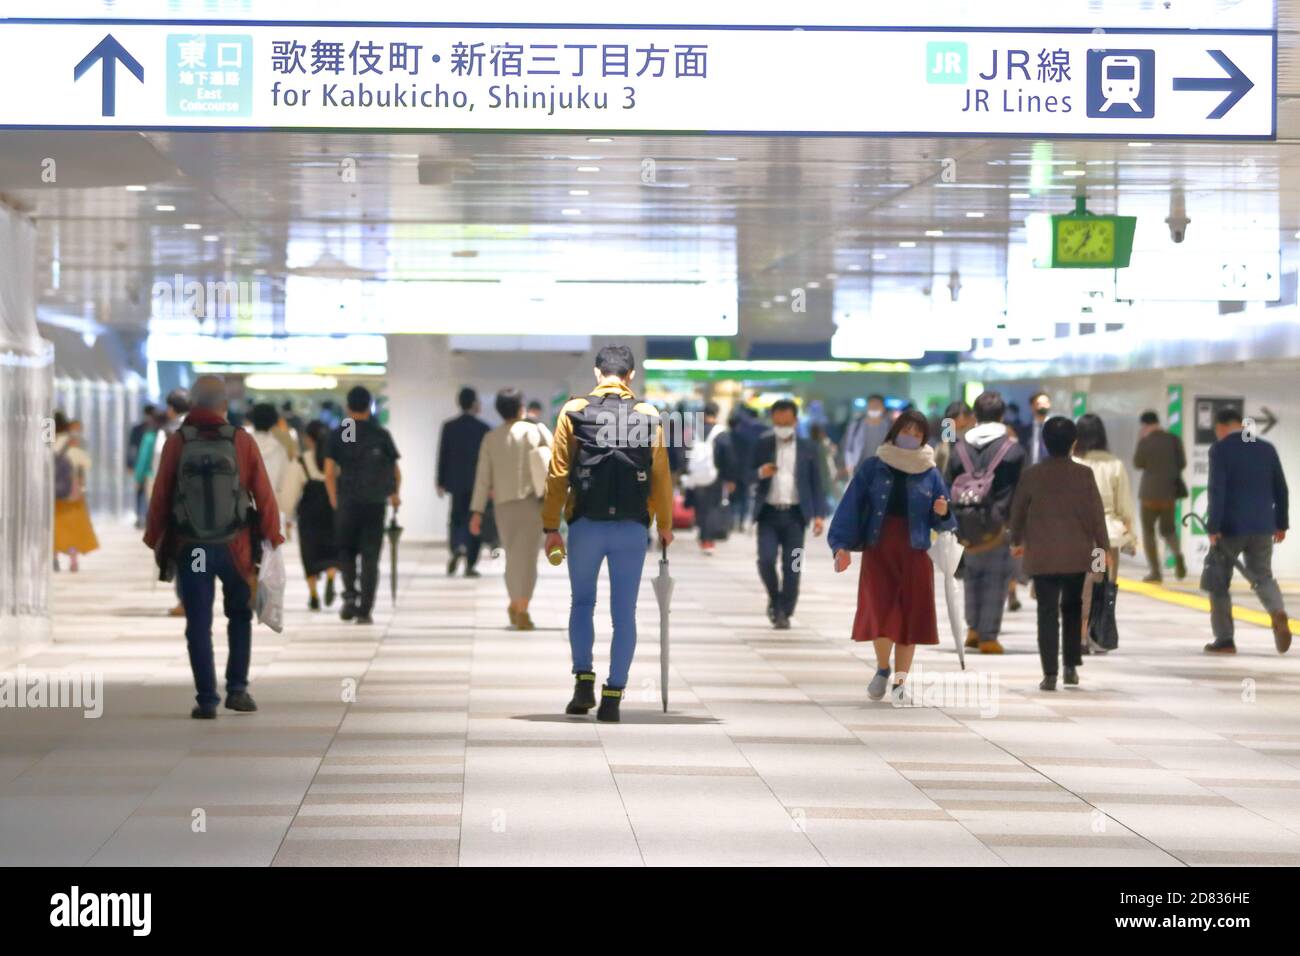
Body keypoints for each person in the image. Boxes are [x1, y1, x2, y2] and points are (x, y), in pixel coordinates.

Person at [542, 345, 673, 723]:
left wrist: (551, 526)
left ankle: (583, 683)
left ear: (598, 374)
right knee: (624, 613)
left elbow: (557, 474)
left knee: (582, 604)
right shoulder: (649, 414)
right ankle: (613, 696)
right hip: (631, 529)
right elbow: (661, 477)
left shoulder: (573, 411)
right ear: (630, 376)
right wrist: (665, 523)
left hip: (585, 525)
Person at [143, 375, 283, 718]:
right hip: (235, 547)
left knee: (199, 622)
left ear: (192, 403)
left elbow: (161, 494)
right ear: (224, 405)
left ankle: (206, 699)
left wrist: (155, 539)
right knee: (238, 615)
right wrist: (272, 536)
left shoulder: (178, 441)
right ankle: (237, 689)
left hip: (196, 550)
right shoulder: (241, 440)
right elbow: (262, 492)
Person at [829, 410, 955, 701]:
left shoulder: (930, 471)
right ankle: (883, 668)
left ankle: (901, 681)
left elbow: (947, 520)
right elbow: (850, 507)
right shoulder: (874, 467)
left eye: (917, 433)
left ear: (924, 438)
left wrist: (944, 512)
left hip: (915, 551)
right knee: (880, 611)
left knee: (910, 616)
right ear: (894, 431)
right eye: (905, 431)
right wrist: (840, 546)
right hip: (880, 548)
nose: (910, 437)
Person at [1010, 417, 1110, 690]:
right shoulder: (1084, 474)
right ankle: (1070, 667)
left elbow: (1017, 513)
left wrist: (1016, 540)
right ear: (1073, 443)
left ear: (1044, 442)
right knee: (1073, 609)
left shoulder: (1031, 474)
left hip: (1042, 556)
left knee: (1046, 612)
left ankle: (1050, 673)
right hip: (1077, 556)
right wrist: (1102, 553)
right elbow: (1097, 517)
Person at [1203, 406, 1291, 655]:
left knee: (1218, 581)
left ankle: (1224, 640)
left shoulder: (1220, 449)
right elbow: (1281, 489)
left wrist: (1213, 526)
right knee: (1262, 576)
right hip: (1263, 526)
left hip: (1230, 528)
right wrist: (1281, 524)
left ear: (1221, 427)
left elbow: (1216, 490)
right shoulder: (1266, 448)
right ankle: (1277, 612)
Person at [946, 390, 1026, 654]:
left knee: (971, 576)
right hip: (997, 525)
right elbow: (1021, 492)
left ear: (975, 416)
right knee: (995, 578)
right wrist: (1019, 529)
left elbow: (947, 485)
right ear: (1002, 416)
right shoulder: (1013, 450)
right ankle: (988, 636)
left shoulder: (958, 449)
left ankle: (973, 630)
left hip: (965, 524)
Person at [470, 387, 551, 630]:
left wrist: (477, 512)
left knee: (512, 557)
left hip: (503, 506)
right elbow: (557, 459)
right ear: (521, 407)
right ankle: (522, 608)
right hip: (532, 504)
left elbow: (483, 478)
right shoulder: (536, 430)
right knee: (527, 559)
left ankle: (516, 603)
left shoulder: (491, 438)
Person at [324, 385, 402, 625]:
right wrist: (394, 494)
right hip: (375, 503)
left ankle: (349, 597)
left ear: (348, 407)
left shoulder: (342, 432)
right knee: (370, 557)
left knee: (346, 550)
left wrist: (335, 500)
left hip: (348, 501)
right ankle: (365, 609)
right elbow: (396, 471)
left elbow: (329, 472)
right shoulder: (380, 433)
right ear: (370, 406)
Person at [752, 398, 827, 629]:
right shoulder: (763, 444)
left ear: (795, 421)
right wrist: (760, 472)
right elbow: (745, 473)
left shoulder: (809, 448)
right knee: (765, 560)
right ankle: (774, 598)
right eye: (778, 421)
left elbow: (817, 482)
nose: (782, 425)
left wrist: (819, 515)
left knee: (792, 566)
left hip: (796, 517)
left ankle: (785, 610)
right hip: (768, 515)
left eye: (786, 421)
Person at [1072, 414, 1136, 653]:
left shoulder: (1074, 462)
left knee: (1081, 586)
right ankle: (1095, 634)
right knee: (1100, 583)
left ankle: (1079, 635)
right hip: (1105, 538)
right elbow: (1124, 508)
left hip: (1078, 534)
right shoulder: (1114, 465)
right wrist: (1131, 538)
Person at [279, 420, 338, 611]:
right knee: (333, 551)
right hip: (332, 511)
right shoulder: (336, 461)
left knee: (309, 554)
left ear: (307, 439)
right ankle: (331, 576)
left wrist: (286, 516)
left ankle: (313, 595)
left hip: (309, 516)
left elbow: (290, 492)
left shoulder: (301, 461)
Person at [438, 386, 491, 577]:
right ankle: (470, 563)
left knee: (456, 519)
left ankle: (457, 547)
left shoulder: (449, 427)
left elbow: (442, 455)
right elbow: (488, 460)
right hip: (478, 484)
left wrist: (440, 481)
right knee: (475, 520)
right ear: (474, 403)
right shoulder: (483, 428)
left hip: (455, 482)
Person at [1133, 410, 1188, 582]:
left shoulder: (1145, 441)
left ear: (1144, 425)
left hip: (1149, 494)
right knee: (1168, 530)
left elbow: (1137, 463)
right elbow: (1182, 463)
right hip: (1169, 493)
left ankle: (1156, 572)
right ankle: (1178, 555)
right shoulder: (1173, 439)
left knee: (1149, 533)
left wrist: (1140, 441)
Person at [686, 401, 734, 554]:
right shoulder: (722, 433)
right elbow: (728, 457)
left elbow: (685, 452)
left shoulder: (695, 431)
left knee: (700, 507)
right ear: (717, 413)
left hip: (697, 475)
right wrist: (730, 478)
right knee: (712, 507)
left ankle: (702, 535)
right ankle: (708, 540)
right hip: (715, 476)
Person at [52, 416, 99, 572]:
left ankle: (54, 557)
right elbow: (86, 462)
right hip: (72, 495)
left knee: (55, 526)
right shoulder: (72, 443)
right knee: (73, 527)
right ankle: (73, 560)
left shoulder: (47, 442)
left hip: (53, 495)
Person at [249, 402, 291, 518]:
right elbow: (283, 482)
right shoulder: (280, 448)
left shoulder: (242, 445)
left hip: (246, 507)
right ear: (274, 421)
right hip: (271, 506)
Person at [841, 394, 891, 476]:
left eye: (877, 405)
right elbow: (848, 447)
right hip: (860, 468)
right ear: (867, 407)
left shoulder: (889, 427)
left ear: (883, 408)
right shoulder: (856, 426)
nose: (874, 408)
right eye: (871, 405)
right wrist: (849, 464)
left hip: (882, 469)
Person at [127, 403, 157, 528]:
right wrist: (129, 463)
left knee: (141, 490)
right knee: (142, 491)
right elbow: (132, 448)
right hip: (147, 465)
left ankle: (142, 516)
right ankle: (141, 516)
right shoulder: (151, 430)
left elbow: (132, 448)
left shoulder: (144, 430)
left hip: (143, 465)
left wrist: (130, 463)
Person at [933, 399, 974, 477]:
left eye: (963, 427)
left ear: (972, 420)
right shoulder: (943, 449)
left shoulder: (979, 444)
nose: (958, 432)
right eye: (953, 428)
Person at [809, 422, 839, 514]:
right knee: (830, 500)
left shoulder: (812, 445)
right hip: (826, 476)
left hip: (821, 477)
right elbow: (833, 453)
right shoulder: (823, 445)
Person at [1016, 391, 1053, 465]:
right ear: (1032, 406)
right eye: (1039, 403)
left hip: (1051, 470)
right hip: (1031, 471)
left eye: (1046, 403)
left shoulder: (1055, 428)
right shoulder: (1024, 431)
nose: (1043, 406)